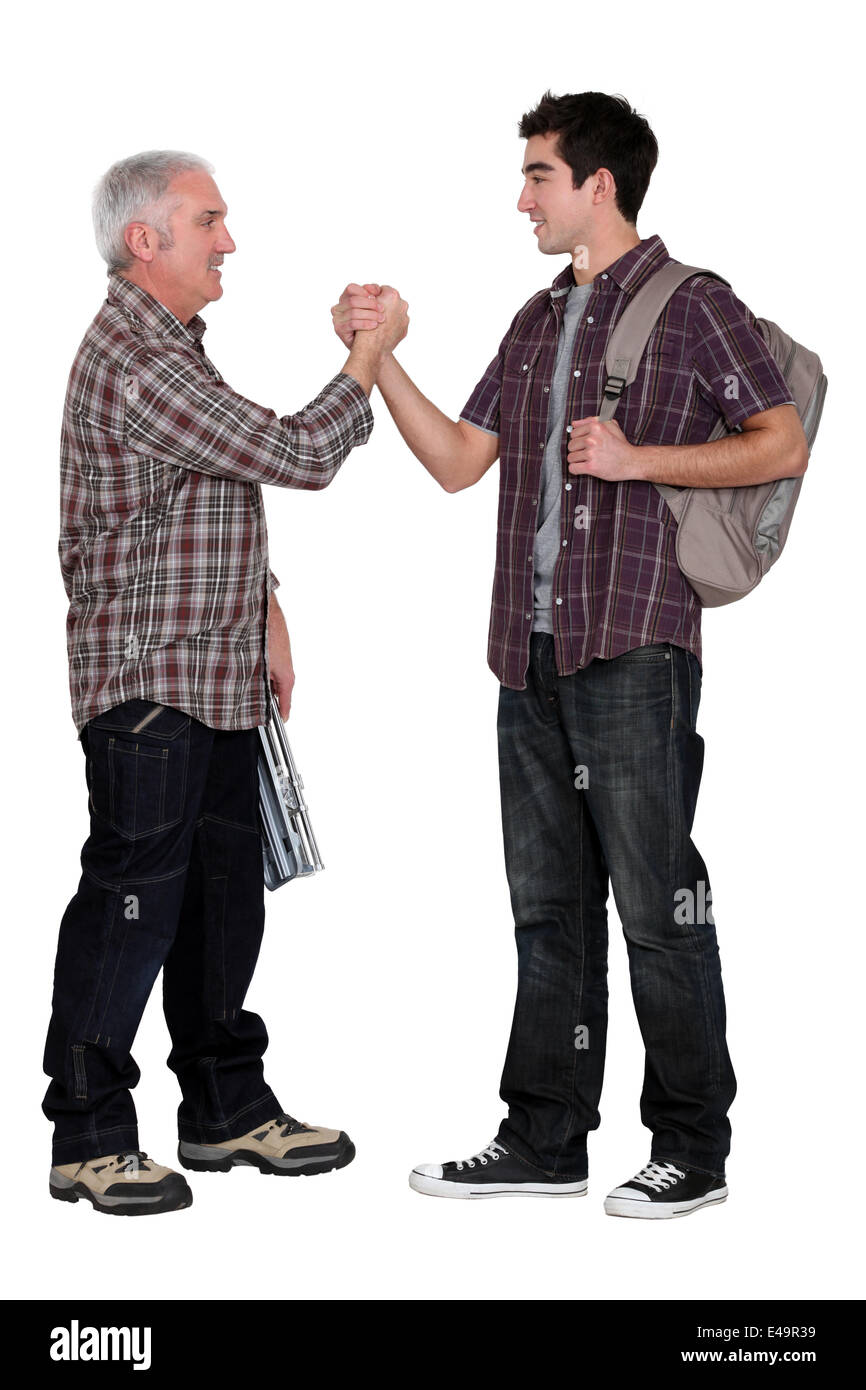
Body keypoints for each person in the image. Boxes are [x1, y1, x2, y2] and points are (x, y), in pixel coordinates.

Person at [333, 91, 807, 1217]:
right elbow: (458, 461)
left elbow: (776, 437)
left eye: (538, 175)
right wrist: (379, 356)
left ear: (598, 184)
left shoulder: (693, 305)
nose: (521, 198)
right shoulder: (538, 317)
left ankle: (690, 1148)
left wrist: (640, 457)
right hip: (528, 653)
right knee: (546, 910)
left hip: (634, 651)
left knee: (658, 907)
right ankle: (544, 1134)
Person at [44, 149, 407, 1215]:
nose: (229, 240)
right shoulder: (134, 358)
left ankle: (222, 1110)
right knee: (129, 910)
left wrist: (269, 611)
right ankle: (91, 1134)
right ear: (143, 240)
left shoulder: (175, 350)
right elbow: (292, 453)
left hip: (213, 672)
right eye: (210, 220)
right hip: (150, 686)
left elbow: (208, 498)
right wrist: (368, 357)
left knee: (219, 905)